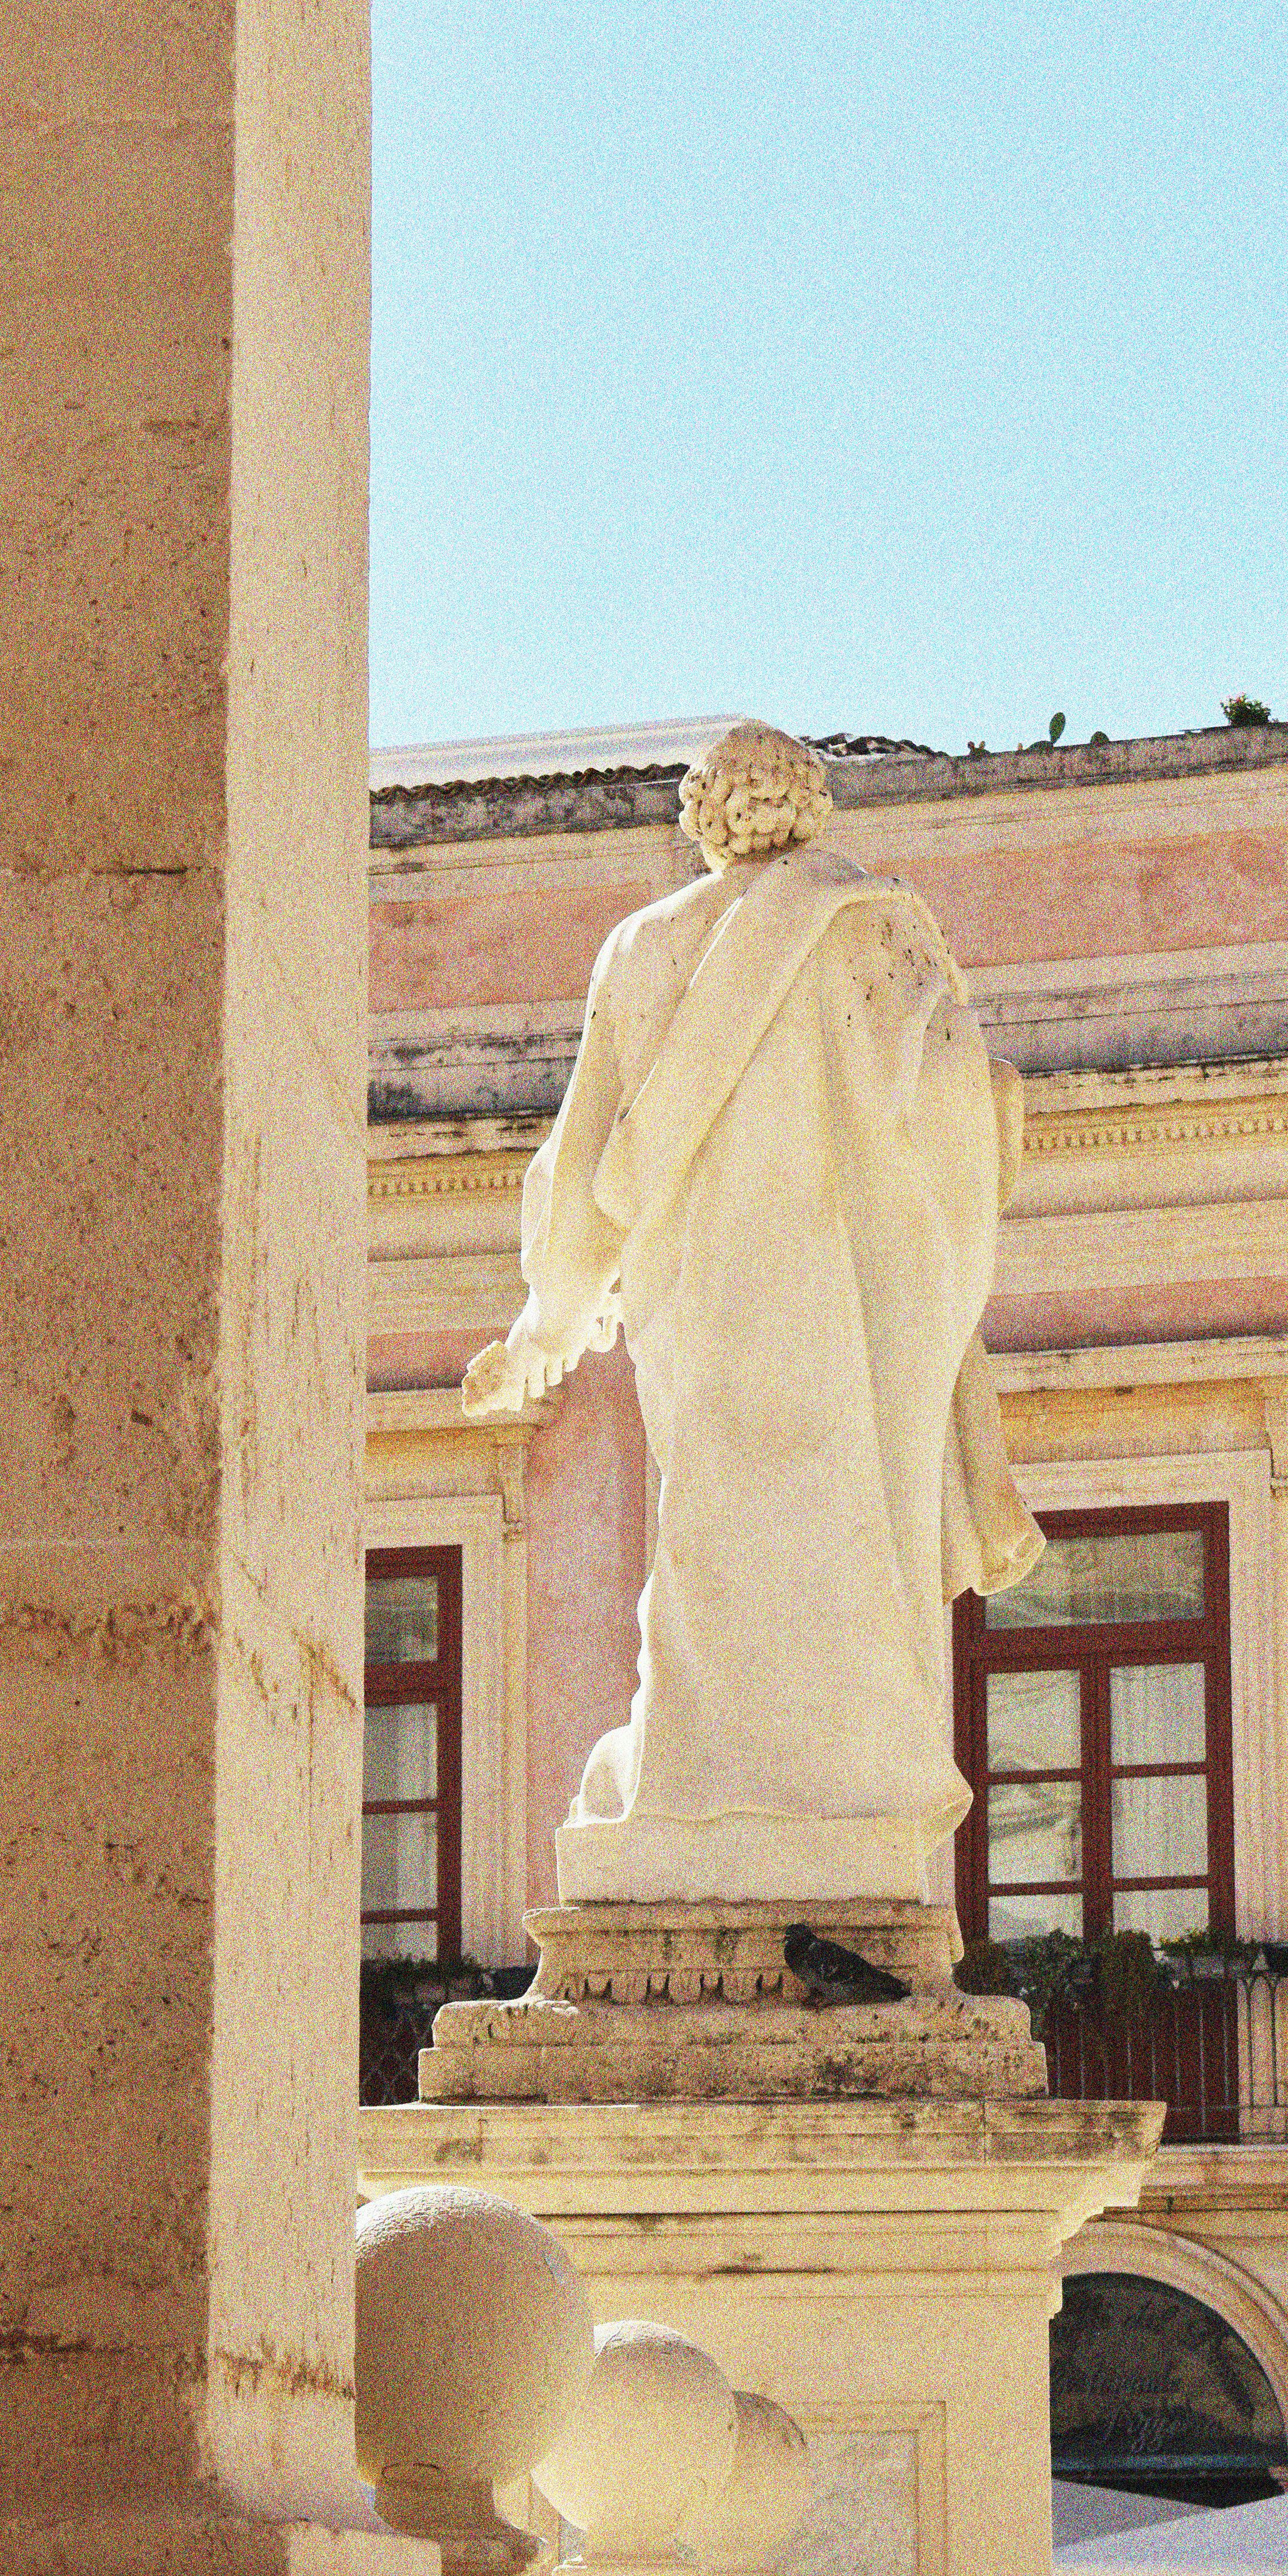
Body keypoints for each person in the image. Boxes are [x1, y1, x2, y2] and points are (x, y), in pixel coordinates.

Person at [464, 722, 1043, 1903]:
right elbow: (946, 1095)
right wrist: (990, 1128)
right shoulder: (874, 926)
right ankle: (841, 1780)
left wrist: (546, 1324)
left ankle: (692, 1775)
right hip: (832, 1300)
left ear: (703, 819)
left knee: (713, 1530)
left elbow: (583, 1158)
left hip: (700, 1304)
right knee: (834, 1529)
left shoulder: (644, 948)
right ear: (809, 807)